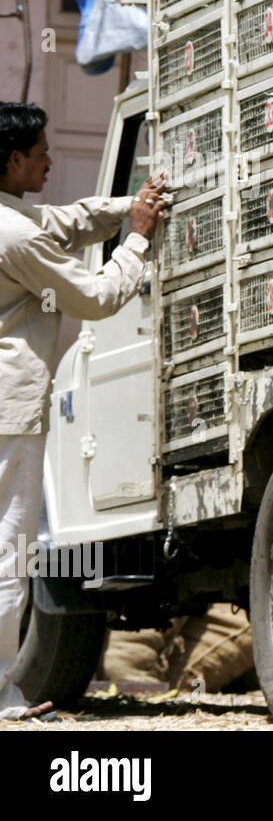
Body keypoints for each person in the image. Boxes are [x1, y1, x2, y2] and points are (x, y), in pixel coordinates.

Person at [0, 102, 168, 719]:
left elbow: (63, 221)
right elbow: (95, 297)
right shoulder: (14, 236)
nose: (50, 158)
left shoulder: (13, 219)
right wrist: (139, 240)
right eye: (41, 151)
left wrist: (129, 205)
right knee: (8, 552)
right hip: (8, 412)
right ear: (13, 159)